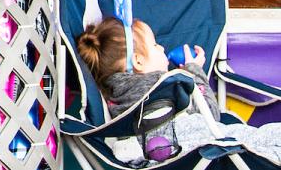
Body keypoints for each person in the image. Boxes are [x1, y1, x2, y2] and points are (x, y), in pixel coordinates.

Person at [78, 16, 281, 160]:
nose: (163, 48)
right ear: (138, 61)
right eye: (156, 45)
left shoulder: (115, 99)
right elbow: (211, 114)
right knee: (270, 137)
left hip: (168, 160)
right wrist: (194, 72)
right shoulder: (166, 85)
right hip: (203, 151)